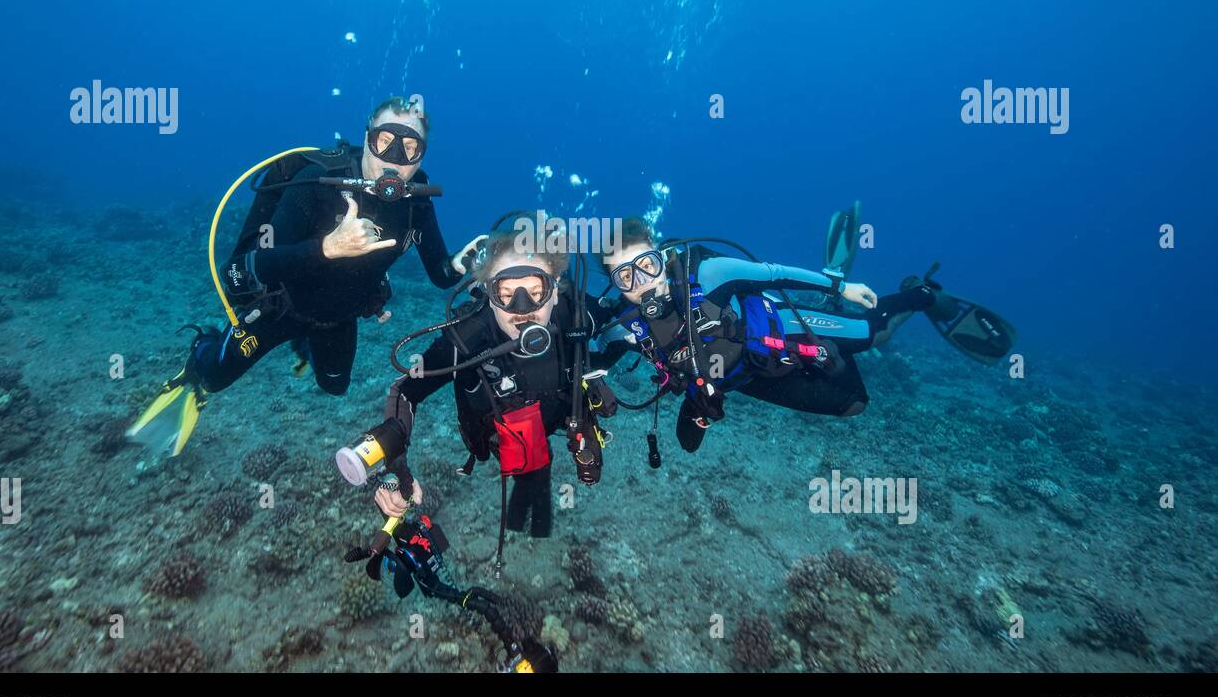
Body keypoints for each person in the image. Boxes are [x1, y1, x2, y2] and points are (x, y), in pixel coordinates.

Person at [126, 96, 484, 456]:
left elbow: (438, 275)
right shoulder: (317, 182)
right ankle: (200, 351)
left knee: (335, 386)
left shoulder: (417, 201)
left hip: (336, 316)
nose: (395, 159)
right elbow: (241, 271)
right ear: (367, 137)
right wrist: (328, 248)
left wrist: (456, 265)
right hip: (278, 309)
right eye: (385, 142)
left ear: (421, 156)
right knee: (214, 377)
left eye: (410, 148)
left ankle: (303, 346)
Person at [595, 212, 1014, 453]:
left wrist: (840, 286)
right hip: (746, 377)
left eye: (647, 265)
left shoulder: (707, 271)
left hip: (788, 330)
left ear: (661, 255)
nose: (643, 283)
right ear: (615, 284)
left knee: (873, 332)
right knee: (854, 405)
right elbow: (592, 362)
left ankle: (920, 294)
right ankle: (835, 349)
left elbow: (773, 274)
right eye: (626, 277)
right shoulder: (624, 328)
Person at [337, 217, 617, 570]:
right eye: (505, 293)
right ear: (487, 292)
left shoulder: (576, 314)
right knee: (526, 475)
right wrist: (396, 469)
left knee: (539, 481)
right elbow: (406, 390)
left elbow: (629, 320)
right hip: (499, 433)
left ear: (556, 288)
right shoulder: (469, 336)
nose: (521, 308)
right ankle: (526, 505)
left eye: (534, 290)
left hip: (560, 415)